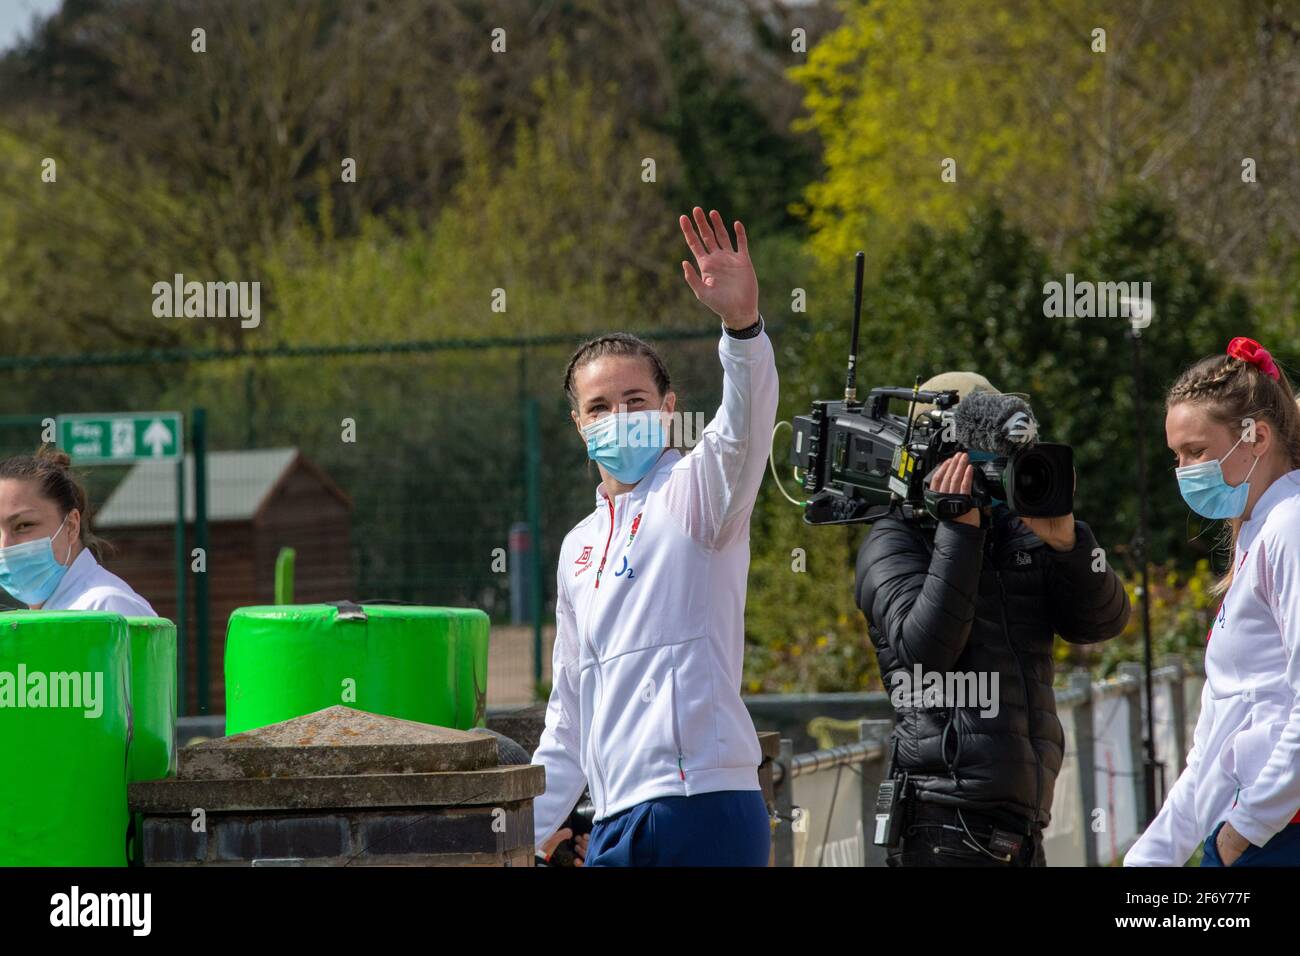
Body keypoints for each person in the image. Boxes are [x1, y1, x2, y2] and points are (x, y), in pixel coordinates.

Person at [530, 206, 778, 866]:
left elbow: (744, 428)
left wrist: (742, 328)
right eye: (600, 408)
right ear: (578, 427)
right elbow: (569, 713)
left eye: (636, 401)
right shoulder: (576, 548)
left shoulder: (699, 493)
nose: (619, 417)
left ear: (669, 408)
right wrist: (517, 834)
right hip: (614, 821)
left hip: (705, 808)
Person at [856, 371, 1130, 866]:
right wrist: (959, 533)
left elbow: (1102, 622)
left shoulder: (1021, 530)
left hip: (1023, 829)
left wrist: (1070, 543)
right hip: (943, 823)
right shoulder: (892, 541)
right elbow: (926, 655)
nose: (994, 467)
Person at [1126, 336, 1300, 866]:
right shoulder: (1261, 530)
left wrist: (1243, 829)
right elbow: (1220, 732)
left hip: (1277, 832)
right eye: (1176, 455)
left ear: (1257, 437)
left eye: (1197, 451)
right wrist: (1152, 857)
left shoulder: (1290, 526)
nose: (1184, 470)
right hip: (1256, 828)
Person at [0, 446, 155, 615]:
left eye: (24, 525)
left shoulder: (105, 607)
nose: (4, 546)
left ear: (71, 526)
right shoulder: (52, 611)